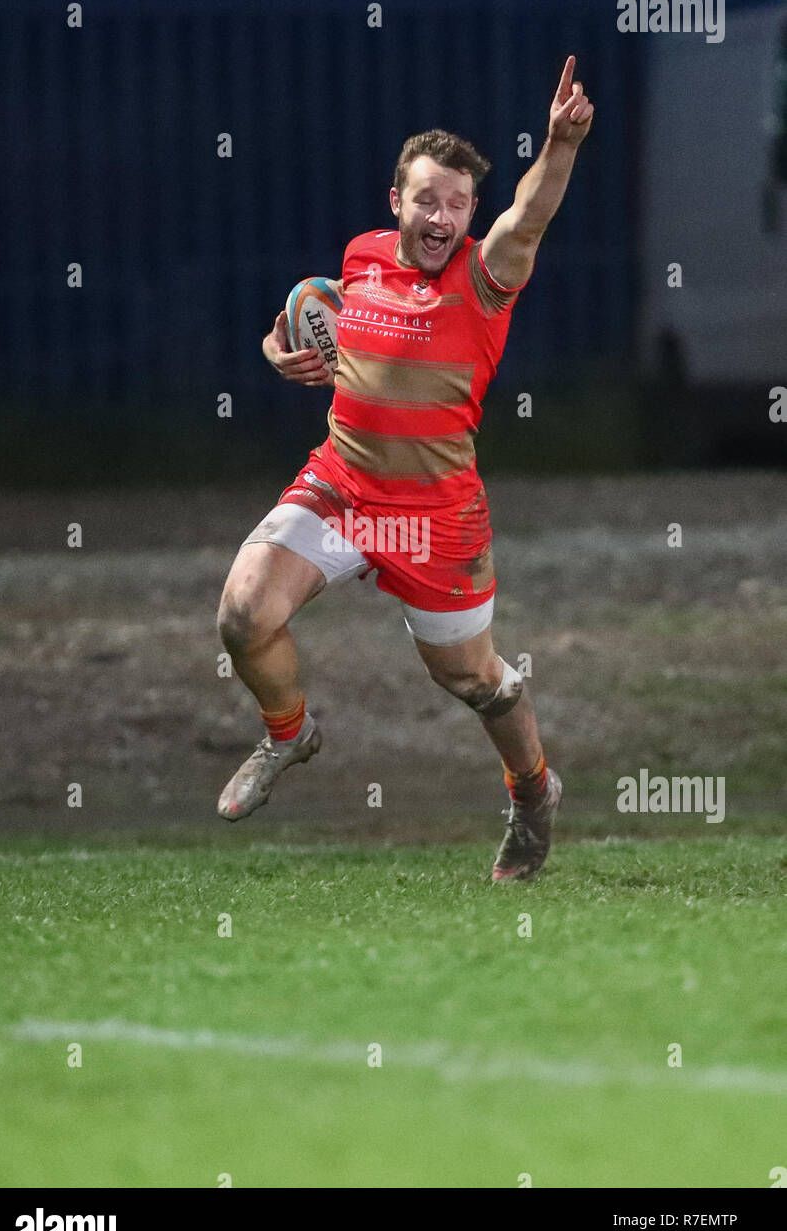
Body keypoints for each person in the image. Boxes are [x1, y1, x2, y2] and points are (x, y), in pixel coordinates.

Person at [217, 56, 594, 880]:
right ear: (397, 201)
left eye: (458, 204)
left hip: (436, 514)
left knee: (473, 679)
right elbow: (321, 325)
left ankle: (532, 791)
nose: (442, 217)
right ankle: (290, 736)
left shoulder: (486, 277)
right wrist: (283, 349)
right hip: (343, 486)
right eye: (427, 199)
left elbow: (527, 218)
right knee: (243, 616)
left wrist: (560, 146)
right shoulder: (359, 258)